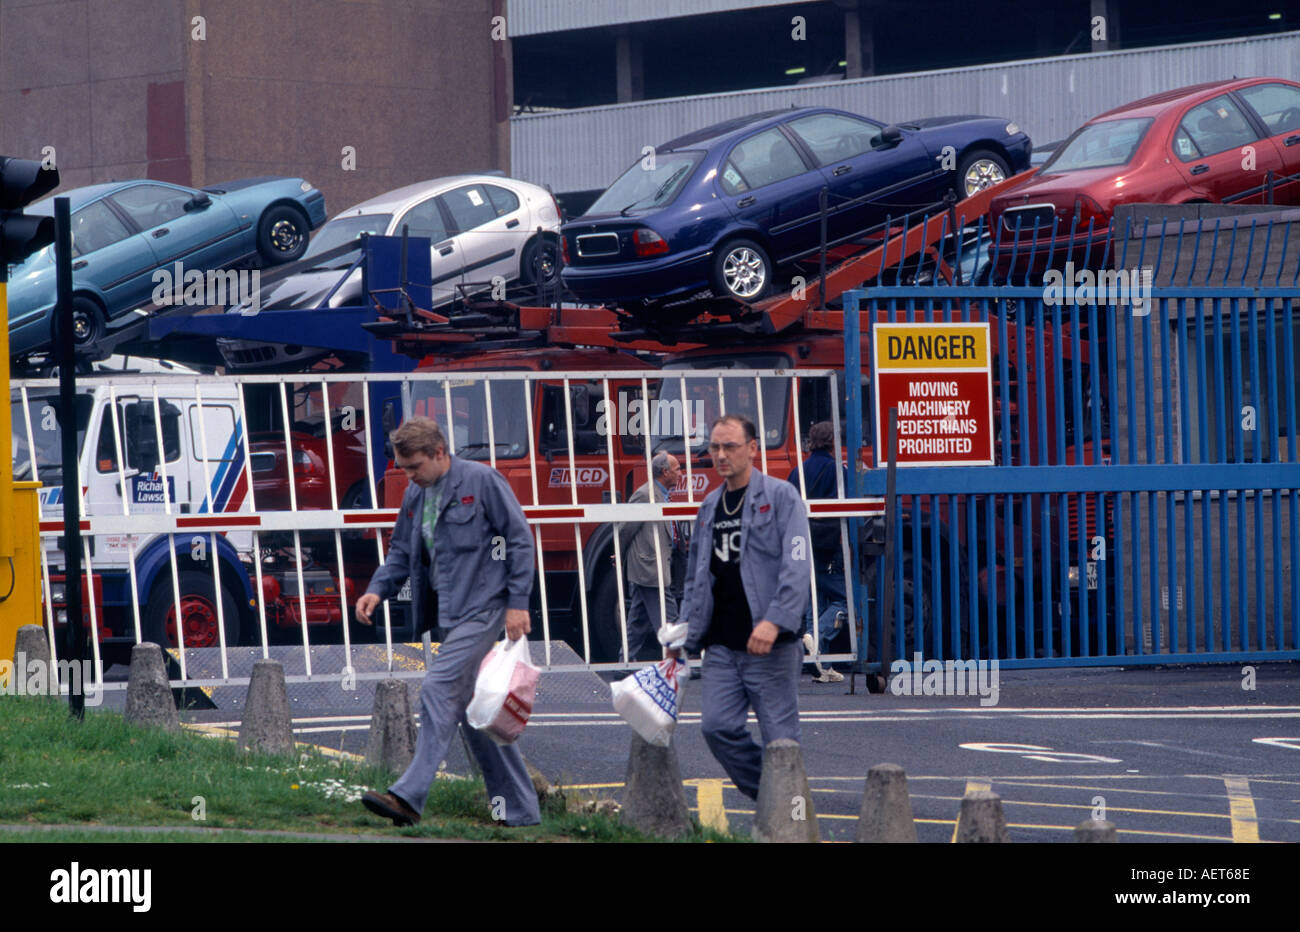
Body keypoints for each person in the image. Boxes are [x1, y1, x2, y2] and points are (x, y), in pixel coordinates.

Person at [355, 417, 541, 828]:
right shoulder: (415, 494)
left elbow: (519, 539)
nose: (409, 476)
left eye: (414, 466)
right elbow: (402, 551)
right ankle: (520, 811)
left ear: (439, 453)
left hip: (485, 608)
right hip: (449, 615)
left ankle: (408, 797)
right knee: (477, 714)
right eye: (405, 468)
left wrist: (517, 603)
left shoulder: (482, 481)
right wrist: (376, 590)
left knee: (438, 689)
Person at [667, 414, 811, 800]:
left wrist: (775, 621)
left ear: (752, 448)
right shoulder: (710, 505)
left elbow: (796, 567)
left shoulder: (782, 497)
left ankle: (791, 820)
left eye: (730, 446)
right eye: (714, 447)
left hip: (771, 646)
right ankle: (774, 799)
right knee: (716, 728)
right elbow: (697, 576)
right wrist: (683, 632)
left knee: (781, 742)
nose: (720, 455)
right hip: (721, 646)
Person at [788, 421, 850, 683]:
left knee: (815, 600)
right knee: (844, 600)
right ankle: (818, 638)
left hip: (801, 543)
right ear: (833, 442)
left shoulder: (797, 471)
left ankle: (821, 663)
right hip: (828, 544)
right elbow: (846, 506)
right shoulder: (838, 470)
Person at [616, 452, 682, 662]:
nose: (681, 473)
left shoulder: (661, 494)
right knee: (669, 616)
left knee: (638, 619)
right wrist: (618, 554)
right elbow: (626, 528)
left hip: (653, 565)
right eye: (678, 468)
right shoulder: (646, 494)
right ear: (665, 472)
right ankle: (681, 658)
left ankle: (624, 660)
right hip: (649, 568)